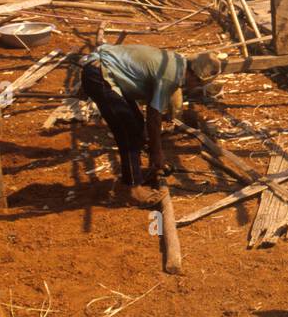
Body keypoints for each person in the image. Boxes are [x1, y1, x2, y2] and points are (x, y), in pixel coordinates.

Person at [78, 43, 223, 203]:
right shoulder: (170, 76)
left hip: (103, 69)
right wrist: (157, 153)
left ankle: (135, 173)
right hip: (101, 74)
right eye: (198, 83)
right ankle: (132, 189)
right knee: (128, 131)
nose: (194, 87)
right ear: (194, 75)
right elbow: (154, 116)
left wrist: (152, 145)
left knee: (137, 124)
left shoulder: (175, 61)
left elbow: (150, 113)